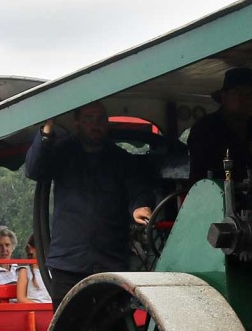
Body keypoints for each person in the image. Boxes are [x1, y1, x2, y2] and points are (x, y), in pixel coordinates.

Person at [23, 100, 155, 302]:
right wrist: (47, 128)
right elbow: (34, 169)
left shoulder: (122, 160)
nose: (96, 125)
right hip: (68, 263)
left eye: (100, 119)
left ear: (107, 123)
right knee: (69, 330)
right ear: (77, 123)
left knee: (112, 328)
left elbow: (138, 190)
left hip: (110, 262)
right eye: (89, 119)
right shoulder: (62, 153)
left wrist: (140, 207)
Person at [185, 65, 252, 184]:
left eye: (250, 94)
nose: (245, 100)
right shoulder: (204, 129)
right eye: (238, 93)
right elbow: (210, 171)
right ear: (223, 96)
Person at [17, 238, 51, 304]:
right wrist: (40, 308)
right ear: (31, 249)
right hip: (34, 311)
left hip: (52, 310)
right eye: (42, 247)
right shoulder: (25, 271)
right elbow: (21, 298)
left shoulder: (52, 271)